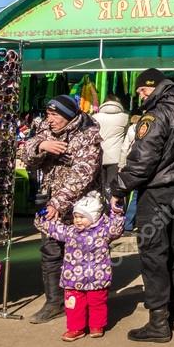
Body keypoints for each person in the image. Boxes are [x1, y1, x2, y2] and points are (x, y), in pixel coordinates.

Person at [112, 69, 174, 343]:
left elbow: (142, 162)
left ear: (151, 87)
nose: (140, 96)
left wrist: (118, 188)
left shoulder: (157, 114)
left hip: (157, 193)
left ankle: (158, 322)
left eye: (141, 91)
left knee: (154, 256)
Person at [20, 95, 103, 324]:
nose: (50, 119)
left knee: (79, 255)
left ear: (68, 116)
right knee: (50, 251)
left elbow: (83, 174)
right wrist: (40, 145)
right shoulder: (45, 129)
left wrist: (59, 202)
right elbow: (25, 153)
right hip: (50, 203)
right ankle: (53, 302)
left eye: (55, 115)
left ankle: (80, 302)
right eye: (48, 114)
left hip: (78, 207)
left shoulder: (88, 135)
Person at [34, 191, 124, 341]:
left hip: (97, 277)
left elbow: (116, 227)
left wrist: (116, 213)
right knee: (74, 304)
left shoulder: (104, 231)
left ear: (94, 217)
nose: (78, 221)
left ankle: (97, 325)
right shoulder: (70, 231)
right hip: (73, 278)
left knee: (97, 302)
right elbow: (53, 228)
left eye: (82, 217)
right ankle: (76, 328)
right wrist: (42, 216)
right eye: (76, 216)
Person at [94, 96, 130, 200]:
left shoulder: (95, 117)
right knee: (114, 186)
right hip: (116, 157)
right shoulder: (125, 117)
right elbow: (127, 134)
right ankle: (114, 211)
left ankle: (101, 210)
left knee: (99, 187)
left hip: (98, 155)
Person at [119, 113, 141, 233]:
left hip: (129, 164)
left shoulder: (131, 129)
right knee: (137, 195)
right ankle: (131, 223)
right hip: (141, 165)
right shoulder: (148, 128)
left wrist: (121, 165)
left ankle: (125, 223)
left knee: (126, 193)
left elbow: (124, 148)